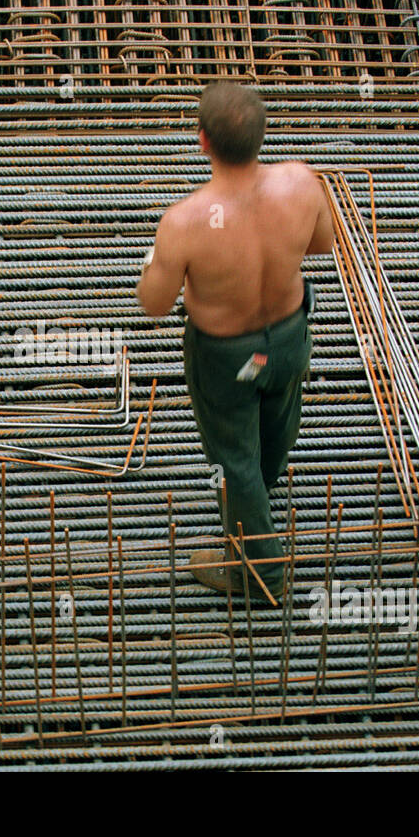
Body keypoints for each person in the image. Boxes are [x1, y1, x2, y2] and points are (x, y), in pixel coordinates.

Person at [136, 82, 335, 600]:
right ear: (262, 135)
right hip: (288, 340)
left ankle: (259, 576)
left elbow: (154, 304)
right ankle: (257, 492)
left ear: (202, 141)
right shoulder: (303, 182)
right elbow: (321, 243)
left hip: (226, 358)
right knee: (277, 419)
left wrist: (152, 268)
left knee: (235, 457)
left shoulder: (184, 222)